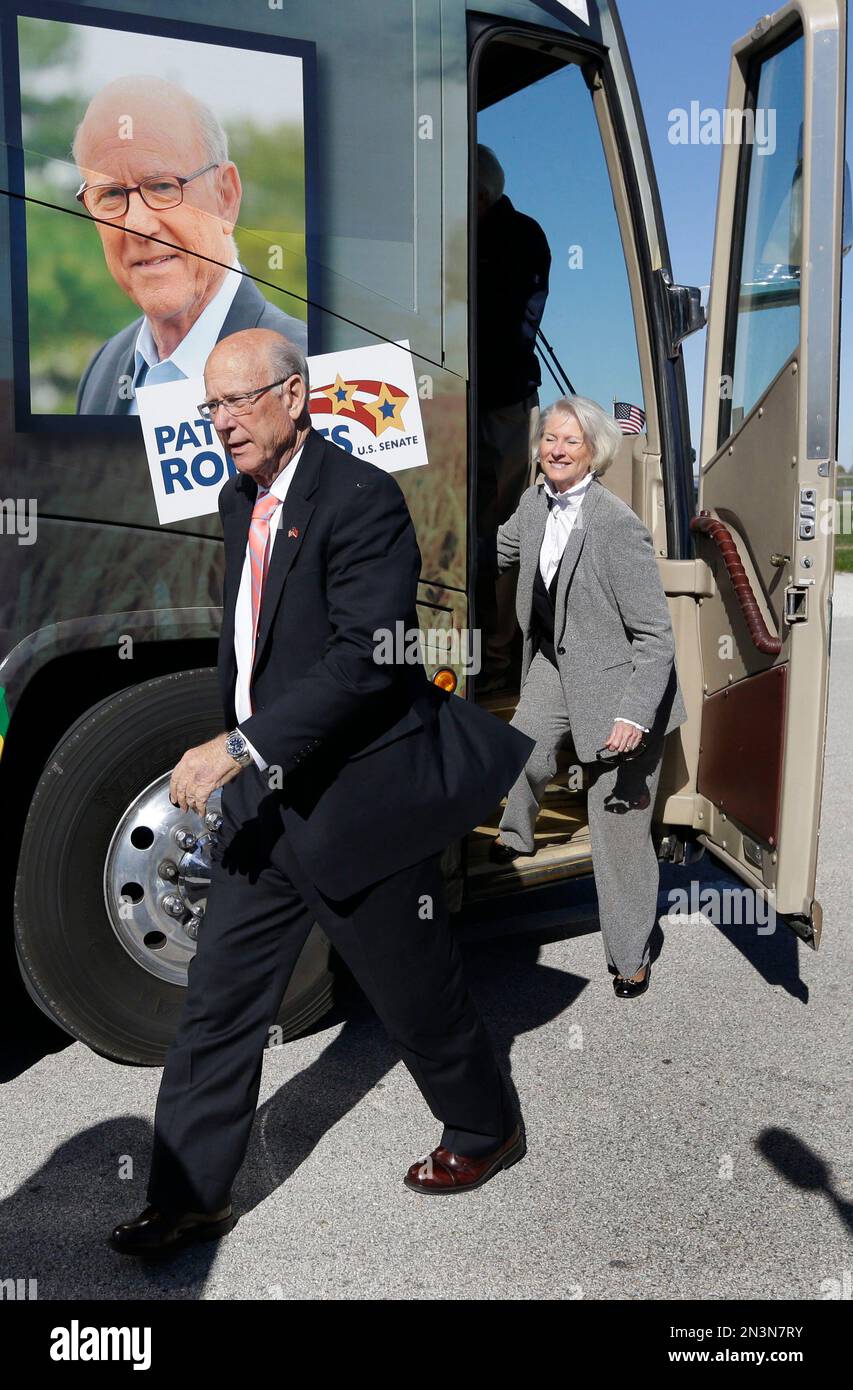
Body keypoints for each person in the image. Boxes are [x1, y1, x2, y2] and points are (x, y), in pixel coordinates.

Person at [109, 328, 534, 1257]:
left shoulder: (361, 498)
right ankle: (188, 1193)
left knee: (414, 993)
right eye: (208, 406)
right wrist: (249, 752)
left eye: (236, 402)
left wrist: (240, 743)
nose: (218, 422)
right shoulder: (238, 498)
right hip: (265, 809)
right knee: (219, 1001)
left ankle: (482, 1128)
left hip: (357, 799)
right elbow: (262, 640)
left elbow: (367, 662)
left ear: (294, 396)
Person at [489, 396, 687, 998]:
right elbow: (497, 552)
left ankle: (630, 958)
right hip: (556, 663)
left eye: (570, 442)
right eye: (549, 439)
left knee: (617, 830)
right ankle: (515, 832)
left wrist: (633, 714)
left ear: (593, 451)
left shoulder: (615, 525)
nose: (556, 450)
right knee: (520, 748)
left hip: (620, 685)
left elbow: (656, 638)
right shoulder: (533, 503)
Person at [72, 77, 306, 415]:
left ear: (226, 197)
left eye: (163, 187)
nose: (137, 225)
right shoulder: (101, 372)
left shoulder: (317, 371)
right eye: (110, 195)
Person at [475, 145, 551, 691]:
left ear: (475, 195)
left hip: (492, 402)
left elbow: (498, 326)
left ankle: (496, 658)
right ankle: (497, 658)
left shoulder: (505, 237)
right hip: (500, 401)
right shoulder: (528, 234)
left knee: (498, 530)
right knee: (497, 529)